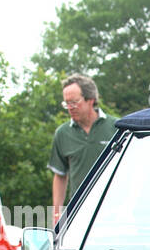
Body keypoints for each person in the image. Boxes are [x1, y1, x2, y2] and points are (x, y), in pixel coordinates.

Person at [49, 74, 119, 224]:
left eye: (74, 102)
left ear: (90, 100)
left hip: (114, 211)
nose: (70, 108)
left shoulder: (116, 128)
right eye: (66, 103)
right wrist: (56, 214)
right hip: (79, 213)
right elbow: (60, 175)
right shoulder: (62, 134)